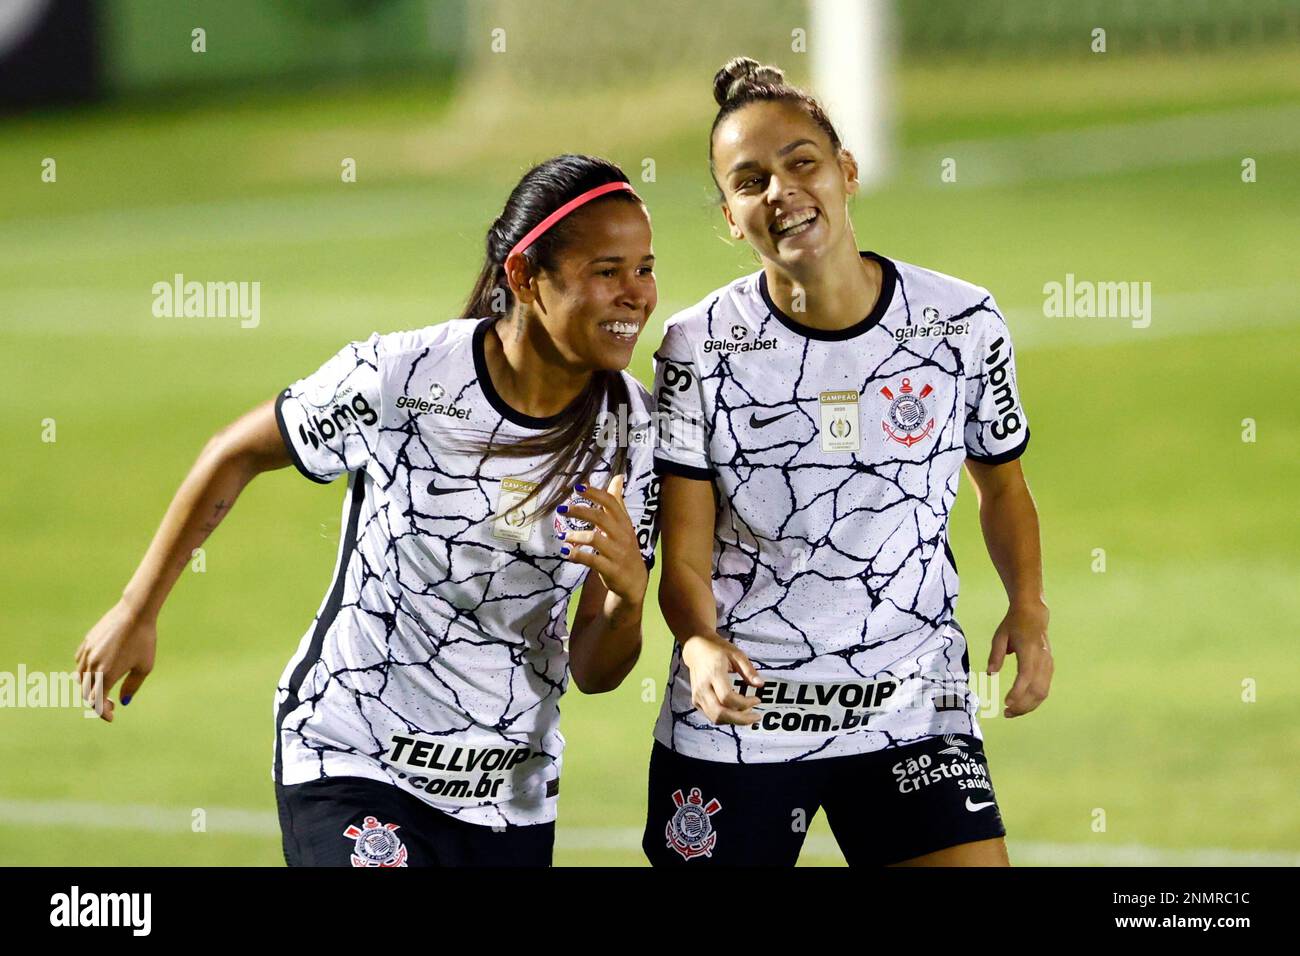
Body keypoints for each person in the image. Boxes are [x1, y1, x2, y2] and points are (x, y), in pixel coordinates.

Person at [75, 154, 661, 867]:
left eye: (644, 269)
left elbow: (597, 671)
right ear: (524, 276)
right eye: (607, 271)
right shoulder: (401, 378)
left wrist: (627, 599)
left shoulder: (635, 431)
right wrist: (137, 609)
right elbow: (236, 451)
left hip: (509, 792)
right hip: (353, 754)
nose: (636, 295)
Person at [642, 58, 1053, 867]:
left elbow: (1003, 485)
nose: (782, 191)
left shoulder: (961, 322)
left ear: (847, 172)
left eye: (802, 163)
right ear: (730, 218)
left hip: (913, 702)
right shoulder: (698, 347)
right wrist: (697, 642)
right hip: (746, 714)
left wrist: (1028, 607)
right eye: (750, 181)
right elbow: (683, 552)